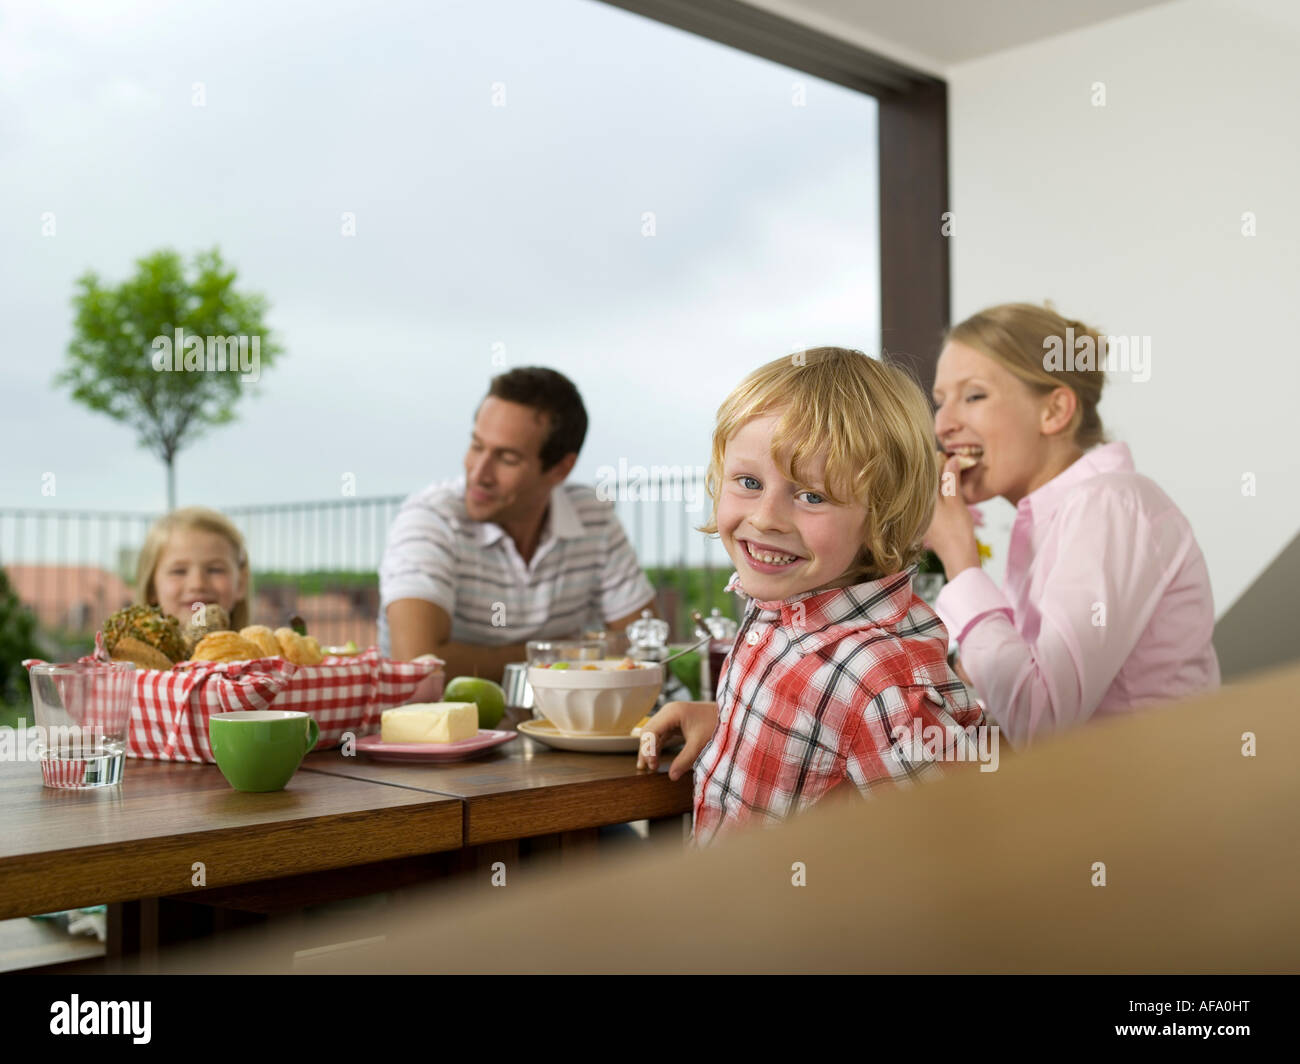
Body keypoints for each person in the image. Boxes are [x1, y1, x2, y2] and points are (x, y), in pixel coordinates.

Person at [638, 348, 987, 847]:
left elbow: (959, 847)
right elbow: (820, 733)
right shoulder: (787, 605)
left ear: (882, 518)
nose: (765, 518)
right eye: (749, 482)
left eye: (811, 496)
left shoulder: (880, 681)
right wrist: (727, 721)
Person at [925, 303, 1219, 748]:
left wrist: (960, 560)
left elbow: (1041, 724)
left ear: (1054, 410)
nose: (943, 425)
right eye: (940, 402)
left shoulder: (1111, 504)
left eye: (974, 396)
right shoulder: (1052, 520)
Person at [380, 367, 655, 682]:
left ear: (560, 470)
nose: (479, 473)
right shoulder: (430, 520)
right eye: (477, 446)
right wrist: (566, 653)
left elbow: (647, 646)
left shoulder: (594, 517)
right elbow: (419, 663)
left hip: (556, 727)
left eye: (507, 459)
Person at [136, 506, 251, 630]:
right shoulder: (122, 649)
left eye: (215, 570)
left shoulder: (265, 649)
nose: (198, 584)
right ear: (151, 588)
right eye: (179, 571)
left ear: (240, 583)